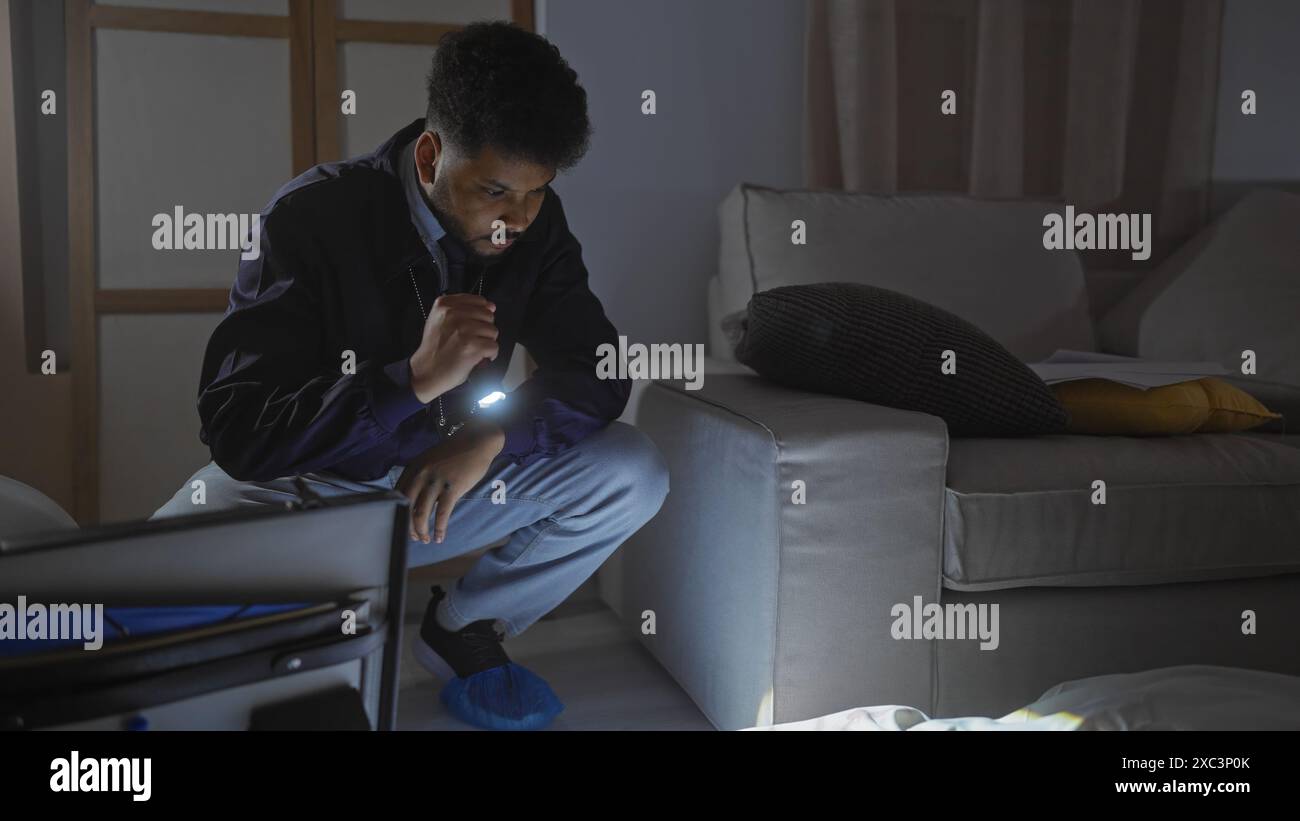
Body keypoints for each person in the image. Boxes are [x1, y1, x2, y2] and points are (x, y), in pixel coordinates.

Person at [152, 21, 669, 730]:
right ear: (430, 154)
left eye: (537, 192)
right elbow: (238, 428)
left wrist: (490, 434)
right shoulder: (311, 215)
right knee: (132, 598)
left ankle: (464, 624)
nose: (514, 221)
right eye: (494, 191)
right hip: (303, 493)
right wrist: (410, 381)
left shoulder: (534, 228)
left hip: (433, 490)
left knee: (633, 469)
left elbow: (598, 368)